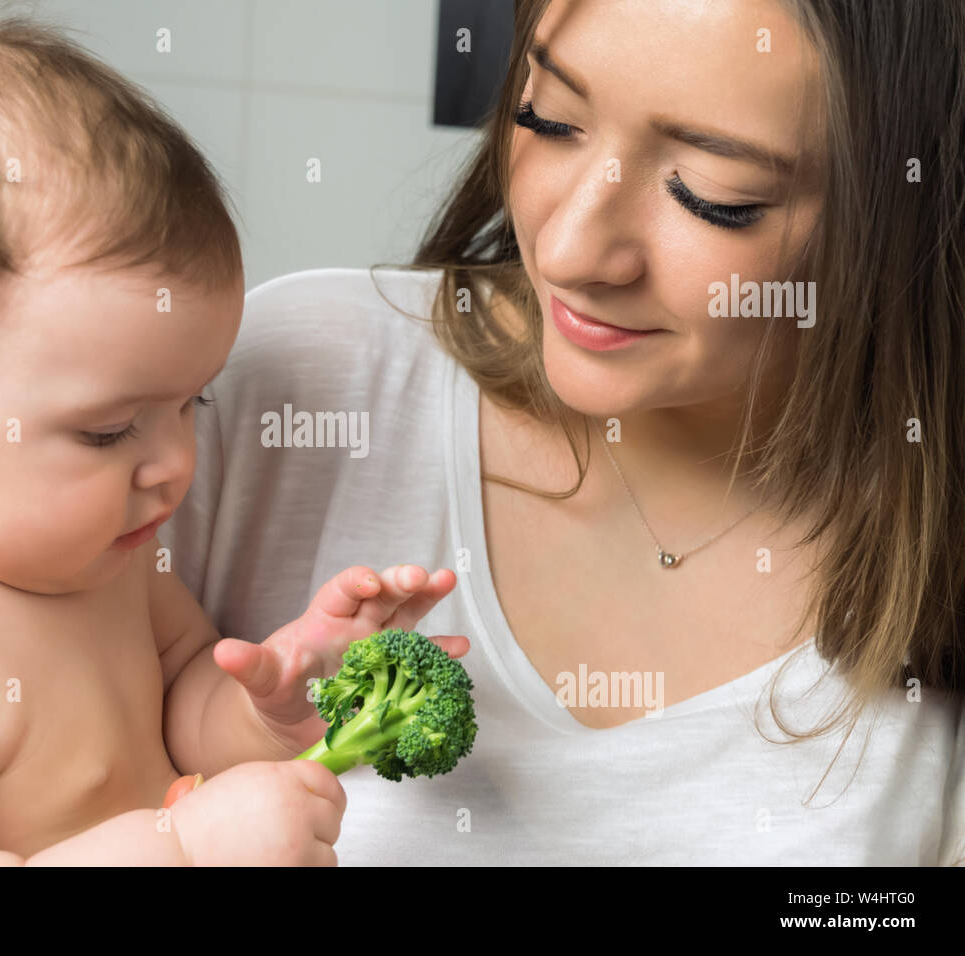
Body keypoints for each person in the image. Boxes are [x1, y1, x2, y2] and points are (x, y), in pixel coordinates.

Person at [164, 0, 965, 864]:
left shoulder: (935, 554)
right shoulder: (275, 386)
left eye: (713, 196)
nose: (572, 251)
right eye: (548, 118)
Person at [0, 20, 464, 865]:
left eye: (190, 401)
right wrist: (184, 850)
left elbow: (177, 702)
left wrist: (268, 709)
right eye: (108, 430)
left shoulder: (99, 550)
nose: (173, 467)